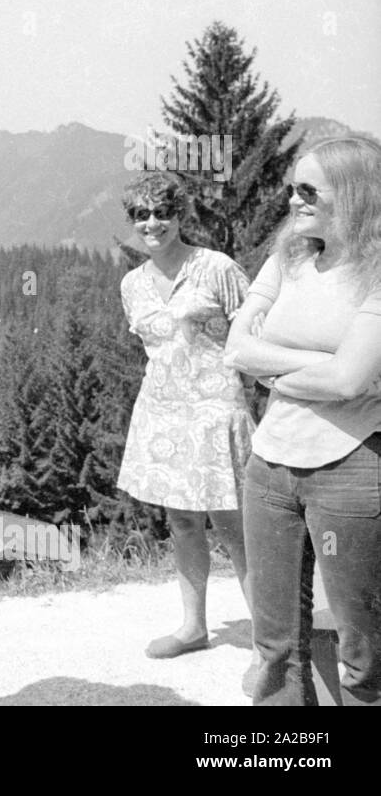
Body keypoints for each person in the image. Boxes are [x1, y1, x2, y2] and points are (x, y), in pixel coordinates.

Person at [224, 134, 381, 706]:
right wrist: (324, 365)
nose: (292, 200)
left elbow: (347, 384)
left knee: (364, 645)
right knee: (275, 646)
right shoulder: (288, 256)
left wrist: (274, 368)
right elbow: (236, 346)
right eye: (291, 188)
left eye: (309, 190)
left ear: (356, 194)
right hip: (270, 463)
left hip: (354, 463)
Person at [113, 174, 257, 669]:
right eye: (141, 215)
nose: (151, 223)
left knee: (235, 526)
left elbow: (258, 330)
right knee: (182, 521)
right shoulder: (131, 284)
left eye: (161, 212)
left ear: (180, 215)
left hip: (219, 413)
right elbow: (156, 352)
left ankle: (272, 646)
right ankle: (194, 627)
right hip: (163, 414)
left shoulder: (216, 268)